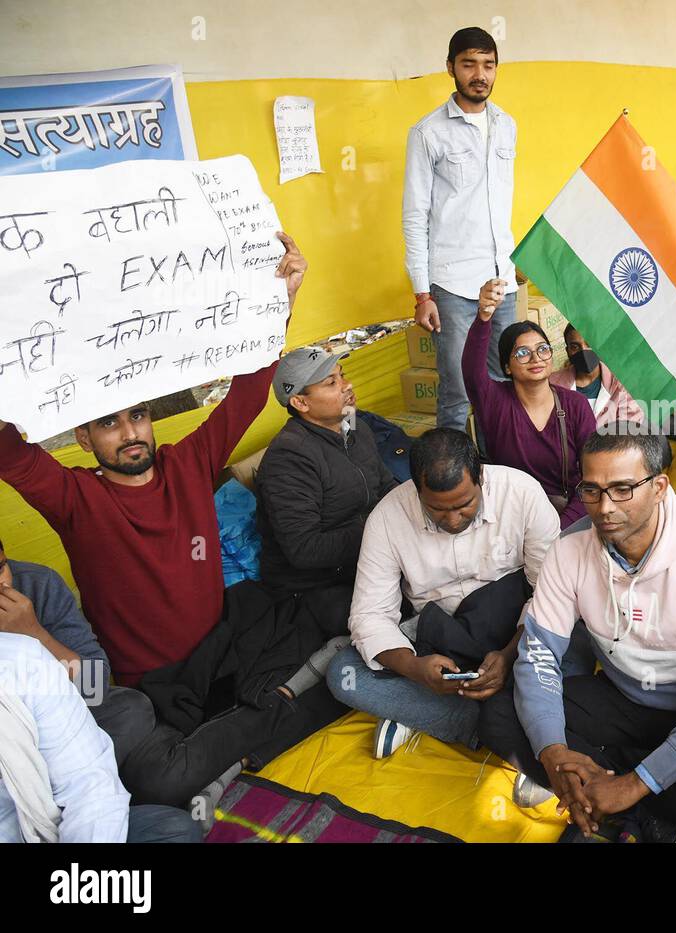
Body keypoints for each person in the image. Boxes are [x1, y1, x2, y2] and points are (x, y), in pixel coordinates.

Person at [0, 232, 307, 686]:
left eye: (138, 415)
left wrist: (280, 302)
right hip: (149, 688)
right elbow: (11, 455)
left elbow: (246, 396)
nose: (130, 433)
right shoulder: (75, 497)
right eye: (109, 423)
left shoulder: (188, 462)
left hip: (224, 656)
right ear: (83, 438)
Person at [477, 430, 676, 842]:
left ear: (660, 487)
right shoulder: (569, 550)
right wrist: (555, 754)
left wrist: (633, 783)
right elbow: (538, 656)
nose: (605, 507)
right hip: (621, 699)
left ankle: (603, 785)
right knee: (498, 715)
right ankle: (596, 784)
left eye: (623, 489)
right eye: (591, 490)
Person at [327, 428, 561, 761]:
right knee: (344, 675)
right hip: (442, 637)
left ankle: (423, 710)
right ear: (416, 490)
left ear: (481, 477)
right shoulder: (387, 518)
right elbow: (370, 615)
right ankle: (501, 724)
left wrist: (510, 655)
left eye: (465, 505)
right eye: (436, 510)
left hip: (517, 630)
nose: (453, 519)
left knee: (572, 642)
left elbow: (551, 593)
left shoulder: (521, 492)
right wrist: (415, 669)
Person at [402, 26, 518, 432]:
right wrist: (422, 293)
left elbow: (497, 201)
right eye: (469, 64)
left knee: (507, 384)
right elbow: (414, 217)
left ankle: (504, 472)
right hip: (452, 287)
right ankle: (453, 486)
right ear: (450, 67)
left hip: (502, 282)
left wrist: (512, 260)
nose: (479, 74)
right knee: (457, 391)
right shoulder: (427, 132)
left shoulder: (507, 125)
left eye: (488, 65)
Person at [0, 633, 200, 843]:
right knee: (160, 776)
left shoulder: (22, 653)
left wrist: (34, 630)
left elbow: (94, 686)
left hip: (63, 725)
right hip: (56, 738)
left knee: (135, 711)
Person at [256, 347, 398, 601]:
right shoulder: (289, 458)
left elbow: (386, 486)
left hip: (370, 557)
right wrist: (381, 530)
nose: (347, 385)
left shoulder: (354, 425)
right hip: (317, 585)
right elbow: (304, 549)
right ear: (301, 402)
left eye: (342, 375)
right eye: (331, 382)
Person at [0, 541, 154, 768]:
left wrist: (34, 633)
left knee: (131, 708)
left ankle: (51, 788)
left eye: (0, 568)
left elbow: (94, 688)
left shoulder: (39, 585)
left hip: (52, 725)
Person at [463, 277, 597, 527]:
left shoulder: (575, 406)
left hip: (567, 518)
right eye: (522, 353)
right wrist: (483, 318)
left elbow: (593, 477)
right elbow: (471, 372)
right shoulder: (495, 402)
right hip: (509, 519)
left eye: (543, 349)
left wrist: (560, 529)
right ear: (506, 366)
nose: (535, 358)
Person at [549, 323, 644, 427]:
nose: (584, 351)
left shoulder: (622, 383)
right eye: (575, 346)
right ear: (568, 351)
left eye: (590, 344)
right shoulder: (552, 384)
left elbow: (629, 428)